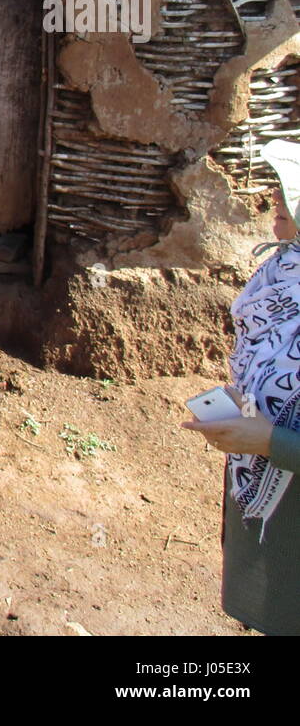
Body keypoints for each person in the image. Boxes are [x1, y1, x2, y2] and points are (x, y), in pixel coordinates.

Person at [182, 138, 300, 635]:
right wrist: (242, 405)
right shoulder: (283, 271)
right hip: (268, 506)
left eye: (288, 190)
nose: (276, 195)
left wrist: (272, 441)